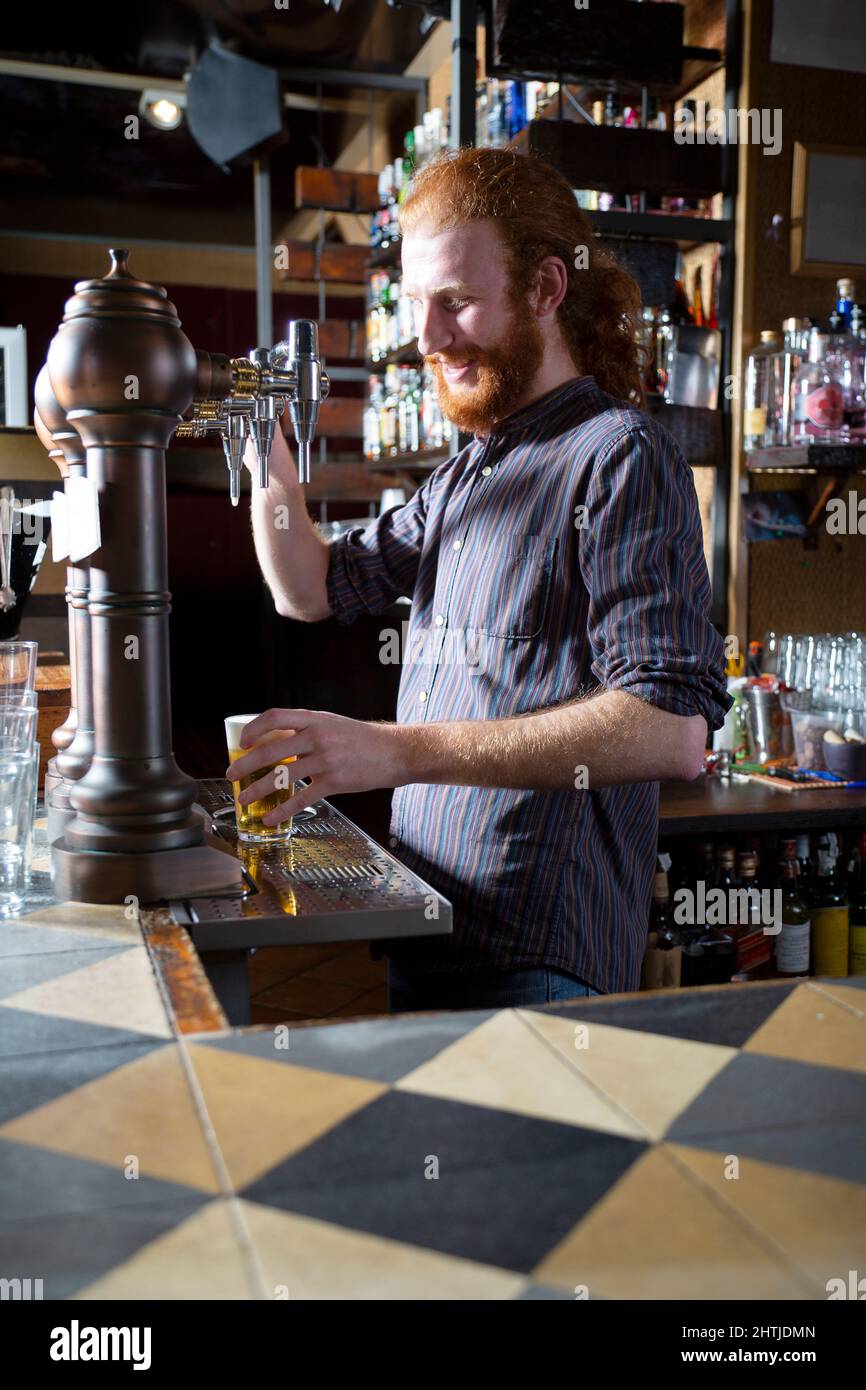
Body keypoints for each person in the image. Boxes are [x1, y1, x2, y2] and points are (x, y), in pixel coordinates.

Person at [227, 146, 732, 1014]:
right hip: (432, 929)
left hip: (540, 963)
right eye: (420, 305)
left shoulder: (619, 456)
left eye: (455, 302)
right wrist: (264, 452)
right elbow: (307, 588)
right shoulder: (467, 475)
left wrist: (389, 751)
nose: (428, 338)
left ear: (545, 288)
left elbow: (672, 728)